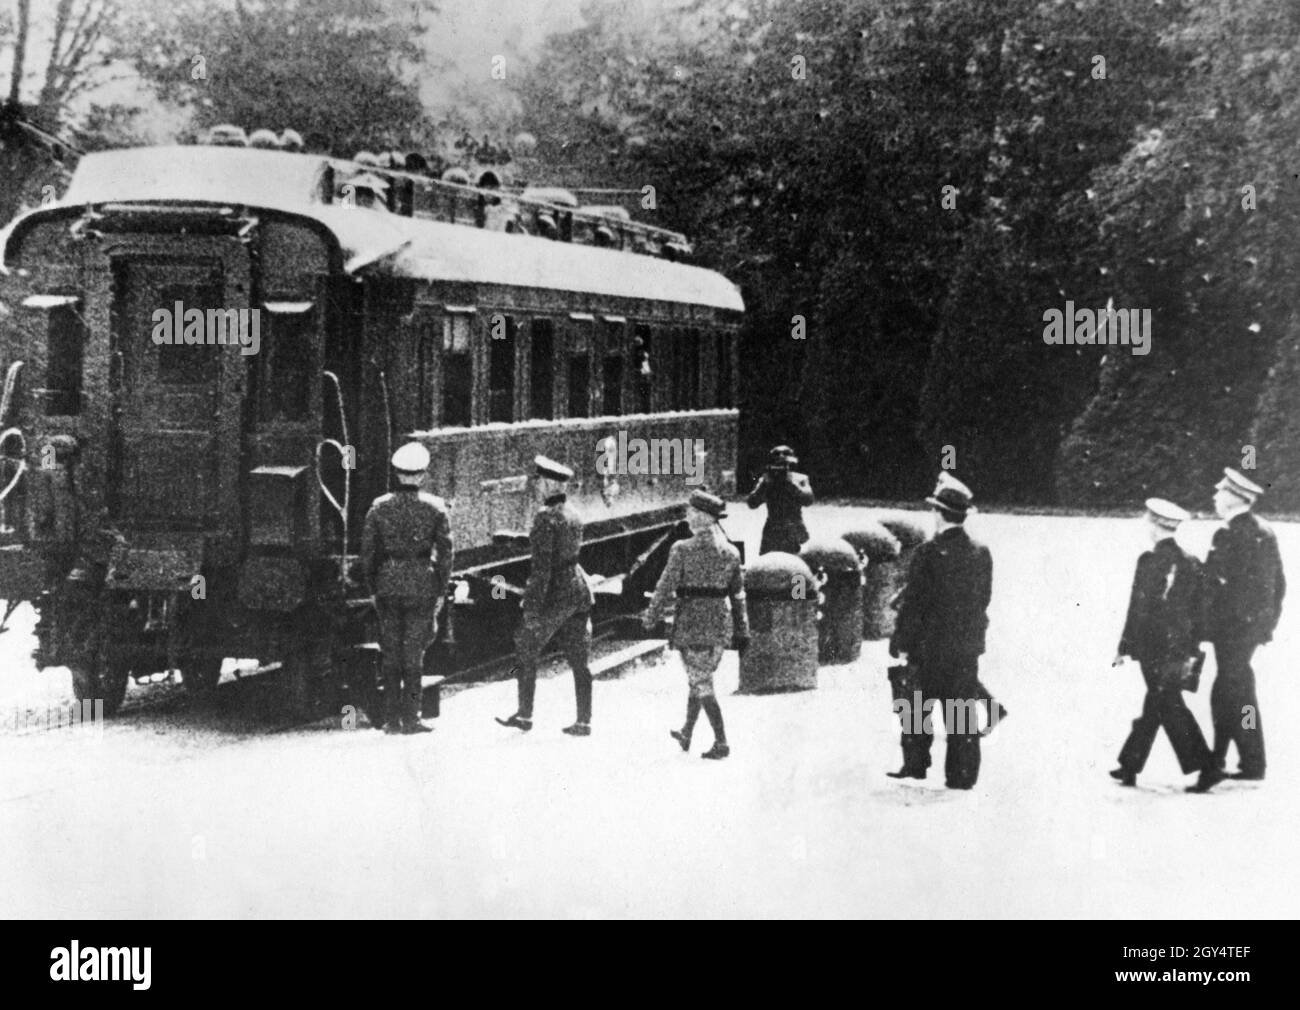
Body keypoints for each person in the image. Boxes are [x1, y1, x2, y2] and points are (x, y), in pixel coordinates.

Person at [887, 474, 992, 789]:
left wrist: (900, 642)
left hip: (929, 646)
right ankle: (962, 774)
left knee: (915, 704)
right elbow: (984, 599)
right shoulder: (981, 551)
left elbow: (914, 604)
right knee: (960, 708)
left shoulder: (928, 552)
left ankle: (916, 763)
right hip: (965, 646)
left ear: (939, 513)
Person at [1109, 499, 1218, 790]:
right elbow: (1201, 611)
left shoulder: (1148, 561)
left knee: (1167, 705)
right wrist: (1193, 646)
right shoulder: (1193, 561)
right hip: (1179, 649)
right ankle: (1129, 765)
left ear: (1154, 524)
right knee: (1158, 703)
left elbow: (1138, 609)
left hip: (1151, 648)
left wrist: (1124, 646)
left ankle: (1207, 766)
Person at [1195, 468, 1286, 788]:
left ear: (1235, 498)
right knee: (1242, 691)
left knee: (1224, 693)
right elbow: (1278, 585)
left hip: (1230, 630)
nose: (1215, 496)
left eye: (1220, 492)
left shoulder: (1229, 534)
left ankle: (1216, 761)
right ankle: (1252, 760)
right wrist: (1265, 626)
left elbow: (1216, 588)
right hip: (1250, 631)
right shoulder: (1264, 530)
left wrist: (1202, 627)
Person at [642, 490, 749, 760]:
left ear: (701, 518)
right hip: (719, 625)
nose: (687, 516)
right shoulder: (731, 552)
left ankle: (721, 742)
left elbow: (665, 586)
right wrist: (742, 630)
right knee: (699, 679)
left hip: (691, 624)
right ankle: (687, 732)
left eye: (691, 512)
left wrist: (651, 616)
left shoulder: (682, 549)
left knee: (701, 683)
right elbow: (738, 596)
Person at [497, 456, 596, 736]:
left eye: (538, 481)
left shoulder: (544, 517)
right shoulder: (573, 513)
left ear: (550, 484)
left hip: (557, 592)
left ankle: (525, 715)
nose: (536, 486)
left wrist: (531, 608)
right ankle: (583, 721)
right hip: (578, 588)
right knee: (580, 658)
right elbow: (558, 547)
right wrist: (517, 539)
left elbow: (542, 569)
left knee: (526, 645)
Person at [359, 442, 454, 735]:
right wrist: (440, 589)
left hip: (387, 584)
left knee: (390, 653)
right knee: (414, 655)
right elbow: (446, 553)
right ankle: (411, 718)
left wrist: (373, 588)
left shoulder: (378, 507)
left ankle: (391, 721)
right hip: (421, 585)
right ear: (422, 475)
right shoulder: (435, 508)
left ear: (397, 474)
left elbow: (368, 553)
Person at [747, 444, 814, 555]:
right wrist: (764, 486)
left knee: (799, 564)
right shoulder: (766, 479)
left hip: (795, 527)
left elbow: (808, 500)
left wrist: (791, 484)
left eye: (785, 453)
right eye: (777, 454)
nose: (781, 456)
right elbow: (752, 504)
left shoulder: (800, 479)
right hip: (773, 529)